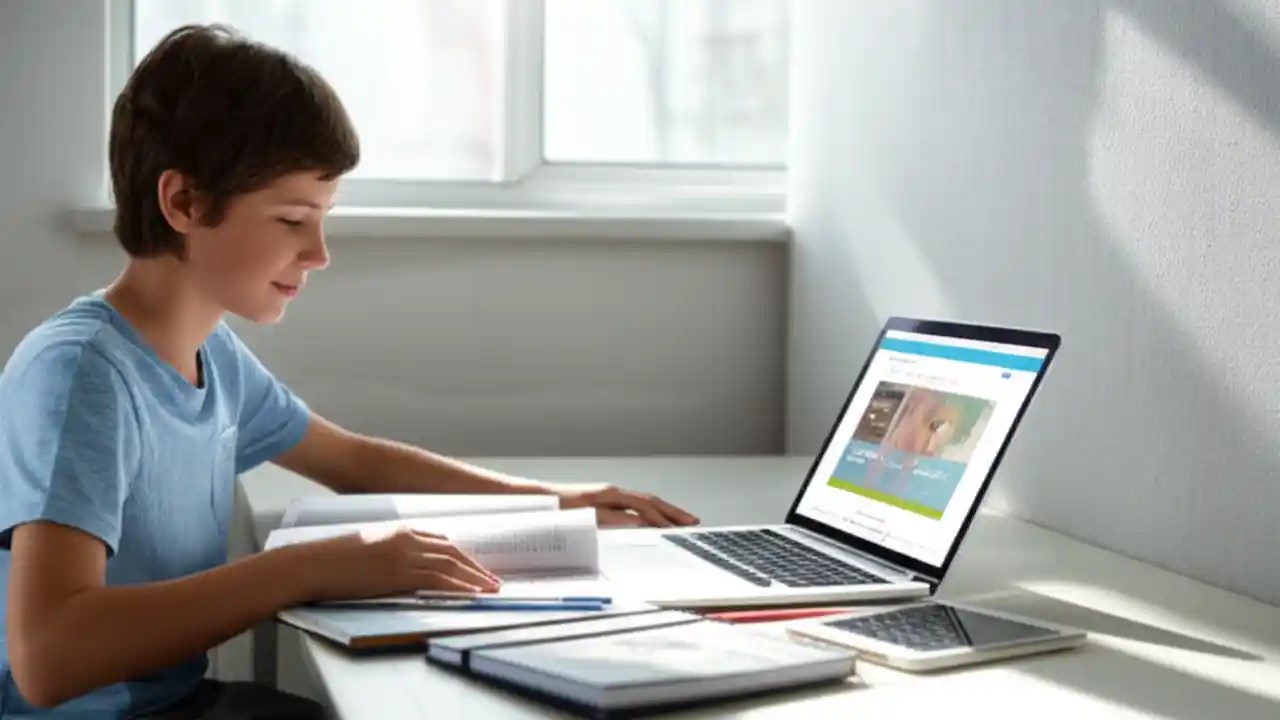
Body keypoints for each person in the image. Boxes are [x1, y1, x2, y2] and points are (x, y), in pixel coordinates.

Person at [0, 24, 698, 718]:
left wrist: (553, 501)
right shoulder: (82, 379)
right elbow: (49, 657)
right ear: (183, 202)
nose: (320, 252)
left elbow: (355, 461)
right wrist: (307, 568)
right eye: (291, 219)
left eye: (324, 217)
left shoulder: (211, 356)